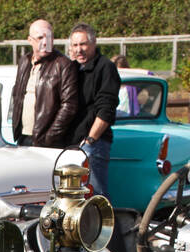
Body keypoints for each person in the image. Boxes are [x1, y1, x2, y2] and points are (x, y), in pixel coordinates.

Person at [67, 23, 120, 200]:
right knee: (74, 199)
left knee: (96, 197)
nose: (79, 50)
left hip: (93, 144)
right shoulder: (73, 68)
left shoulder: (106, 68)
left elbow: (107, 108)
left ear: (93, 43)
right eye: (75, 45)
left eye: (83, 44)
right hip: (73, 144)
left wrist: (91, 139)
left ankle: (105, 228)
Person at [10, 19, 77, 147]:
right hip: (23, 137)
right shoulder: (24, 61)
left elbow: (69, 105)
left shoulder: (63, 64)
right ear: (30, 40)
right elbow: (17, 95)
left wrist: (50, 137)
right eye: (40, 38)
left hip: (48, 142)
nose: (45, 42)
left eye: (49, 37)